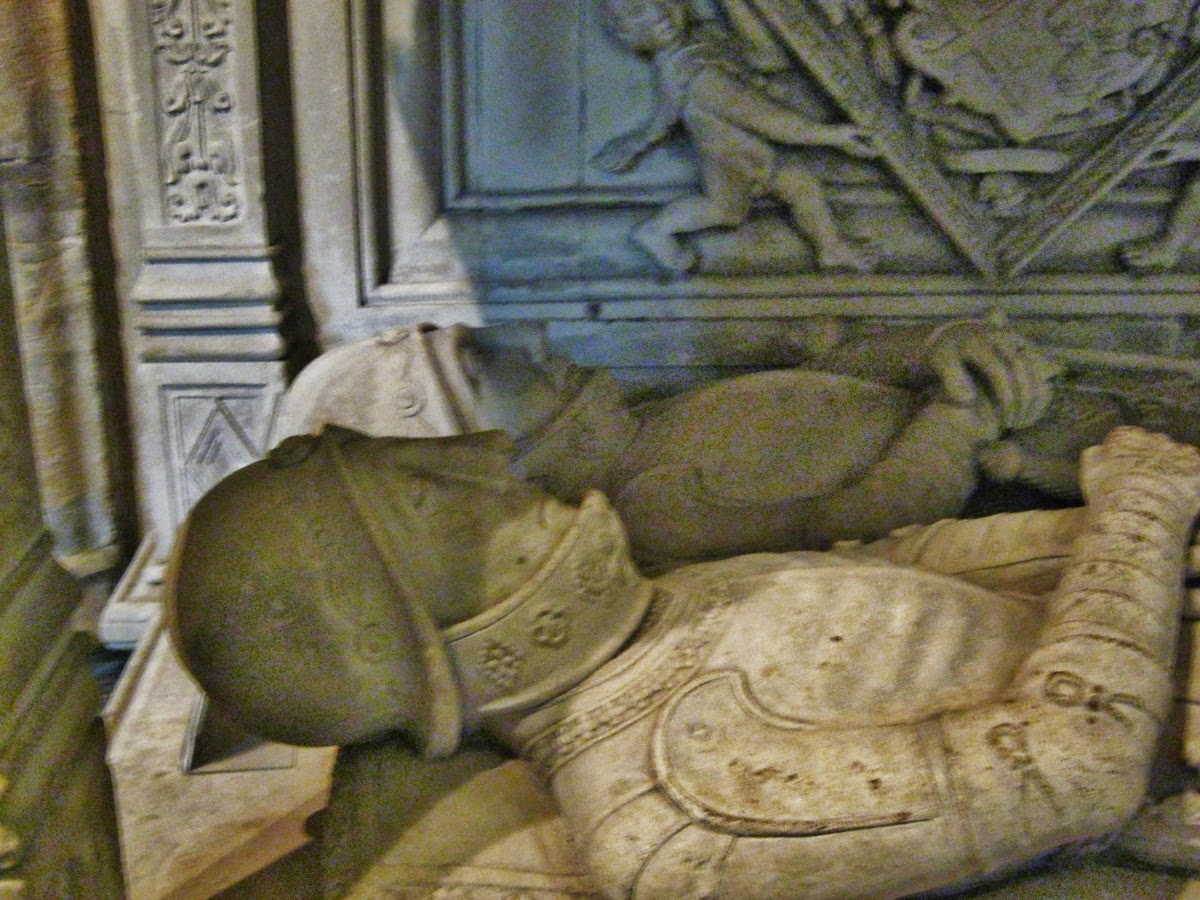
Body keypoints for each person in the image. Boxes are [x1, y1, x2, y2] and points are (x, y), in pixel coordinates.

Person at [167, 425, 1200, 899]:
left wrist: (1120, 511)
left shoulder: (673, 609)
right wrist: (1143, 511)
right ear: (402, 636)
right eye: (430, 493)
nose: (489, 452)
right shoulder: (667, 798)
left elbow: (914, 571)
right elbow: (1074, 767)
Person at [271, 319, 1059, 569]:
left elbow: (827, 379)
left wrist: (932, 345)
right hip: (1016, 456)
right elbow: (856, 521)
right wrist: (957, 424)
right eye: (483, 361)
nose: (530, 338)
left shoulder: (647, 433)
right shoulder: (648, 510)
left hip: (999, 402)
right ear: (483, 459)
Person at [592, 0, 878, 273]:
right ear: (624, 34)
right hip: (729, 161)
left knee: (801, 183)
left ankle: (830, 248)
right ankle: (656, 230)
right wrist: (832, 135)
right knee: (726, 210)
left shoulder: (697, 45)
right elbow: (768, 119)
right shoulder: (697, 76)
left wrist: (640, 142)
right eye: (638, 10)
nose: (660, 13)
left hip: (753, 152)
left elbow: (762, 57)